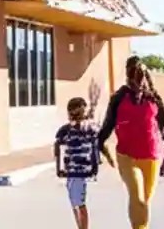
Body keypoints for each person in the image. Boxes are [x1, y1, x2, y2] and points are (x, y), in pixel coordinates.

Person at [98, 56, 164, 229]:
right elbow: (105, 129)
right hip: (127, 156)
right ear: (128, 75)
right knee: (137, 196)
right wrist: (106, 153)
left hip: (151, 157)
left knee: (144, 202)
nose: (136, 79)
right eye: (133, 73)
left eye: (140, 74)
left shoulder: (153, 98)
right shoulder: (119, 98)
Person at [55, 96, 113, 229]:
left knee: (79, 203)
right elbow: (58, 149)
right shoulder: (65, 131)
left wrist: (109, 159)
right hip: (71, 171)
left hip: (80, 171)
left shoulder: (90, 129)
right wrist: (60, 168)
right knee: (75, 201)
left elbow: (100, 145)